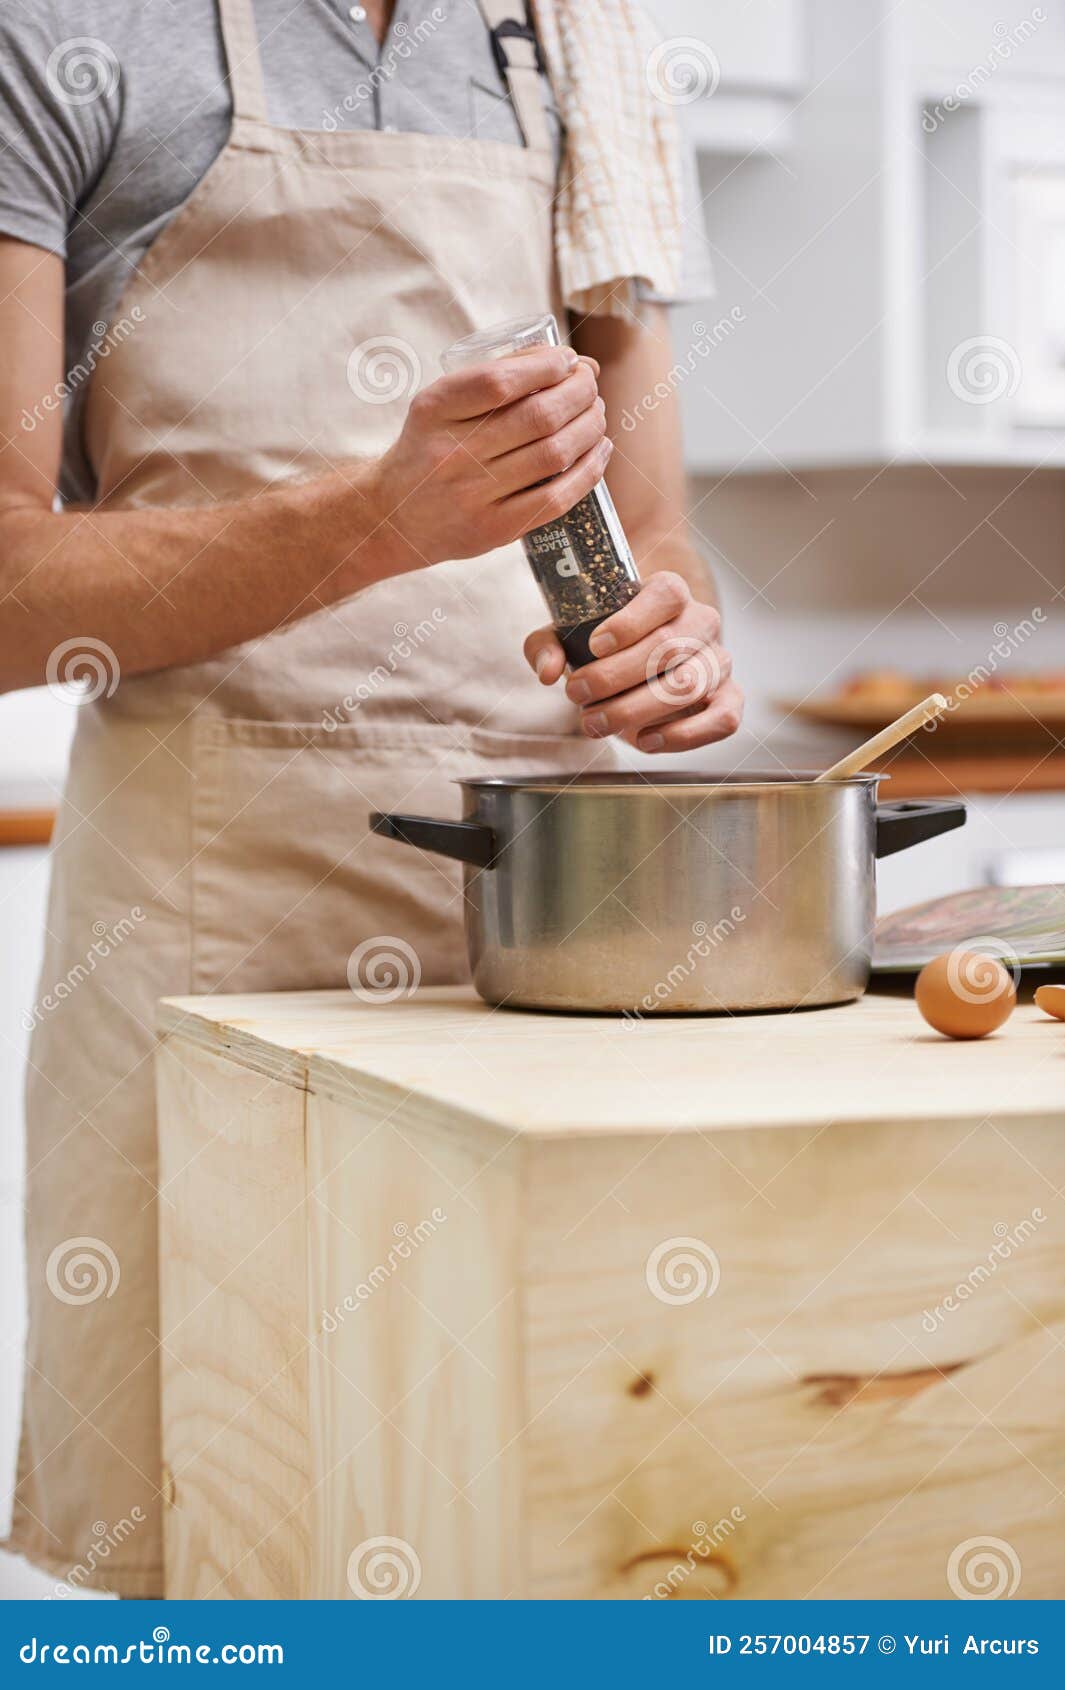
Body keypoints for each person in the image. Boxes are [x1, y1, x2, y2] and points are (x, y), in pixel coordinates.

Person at [0, 0, 742, 1595]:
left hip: (539, 943)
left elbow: (657, 531)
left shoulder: (569, 50)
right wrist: (378, 520)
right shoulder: (65, 37)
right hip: (209, 935)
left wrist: (670, 636)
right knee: (228, 1541)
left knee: (556, 1538)